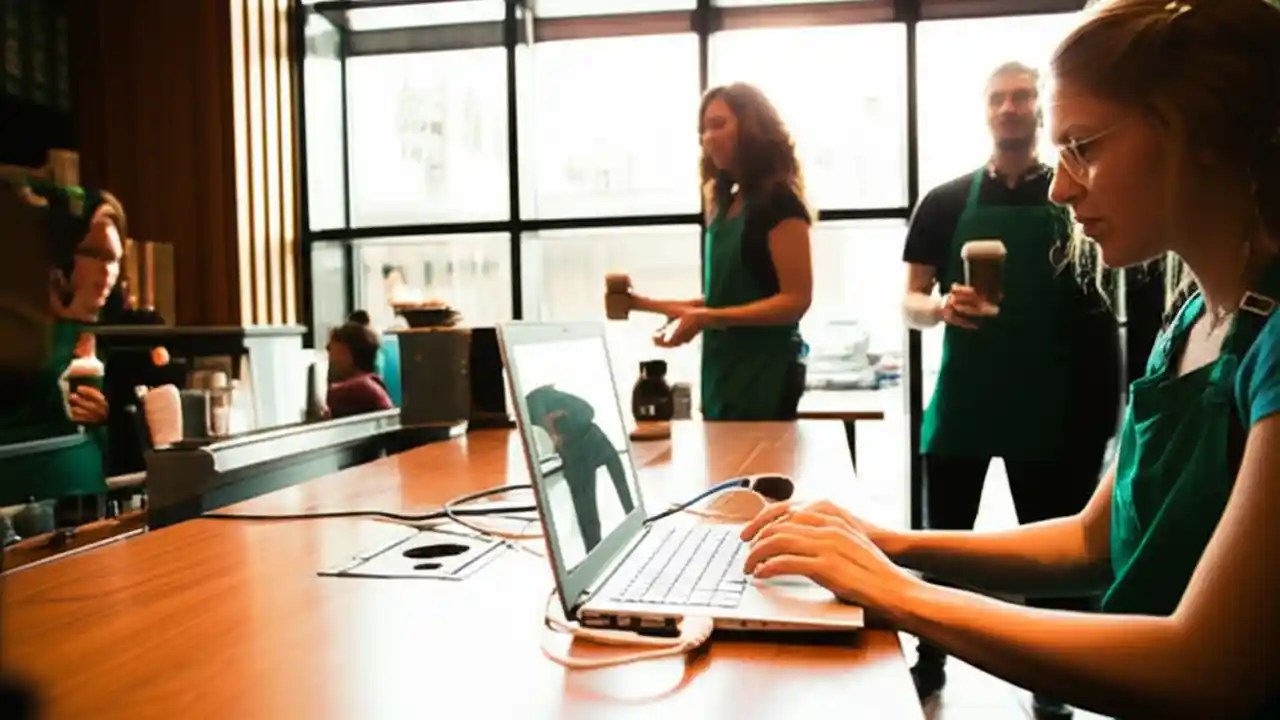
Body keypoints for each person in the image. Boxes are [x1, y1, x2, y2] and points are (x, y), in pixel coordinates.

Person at [741, 1, 1280, 718]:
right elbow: (1095, 537)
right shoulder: (1190, 322)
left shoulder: (1267, 345)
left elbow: (1211, 666)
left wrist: (894, 590)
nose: (1063, 185)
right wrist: (888, 543)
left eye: (1084, 146)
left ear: (1201, 127)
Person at [900, 60, 1123, 717]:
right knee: (944, 544)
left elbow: (1103, 299)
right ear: (984, 109)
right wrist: (938, 309)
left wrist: (1102, 413)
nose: (1010, 108)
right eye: (998, 97)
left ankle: (1053, 685)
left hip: (1050, 408)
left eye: (1022, 96)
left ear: (1039, 110)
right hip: (965, 405)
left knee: (1052, 555)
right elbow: (909, 299)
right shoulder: (944, 201)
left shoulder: (1072, 198)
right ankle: (929, 659)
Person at [626, 83, 814, 421]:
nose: (707, 137)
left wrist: (709, 318)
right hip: (722, 374)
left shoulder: (778, 202)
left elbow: (795, 300)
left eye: (718, 124)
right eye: (703, 129)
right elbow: (719, 301)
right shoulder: (726, 205)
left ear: (752, 128)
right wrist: (639, 303)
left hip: (764, 376)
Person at [0, 184, 124, 507]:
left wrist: (107, 419)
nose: (107, 271)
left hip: (89, 503)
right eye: (94, 254)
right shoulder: (22, 335)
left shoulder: (120, 338)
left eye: (114, 259)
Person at [526, 385, 634, 552]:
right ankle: (596, 549)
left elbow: (549, 418)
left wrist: (553, 433)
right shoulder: (538, 400)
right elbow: (548, 418)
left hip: (584, 440)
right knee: (589, 504)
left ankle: (604, 543)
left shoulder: (540, 399)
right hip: (582, 443)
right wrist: (553, 433)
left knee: (591, 503)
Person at [324, 315, 394, 419]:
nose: (327, 355)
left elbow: (320, 399)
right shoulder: (371, 385)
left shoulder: (360, 388)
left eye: (330, 349)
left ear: (346, 354)